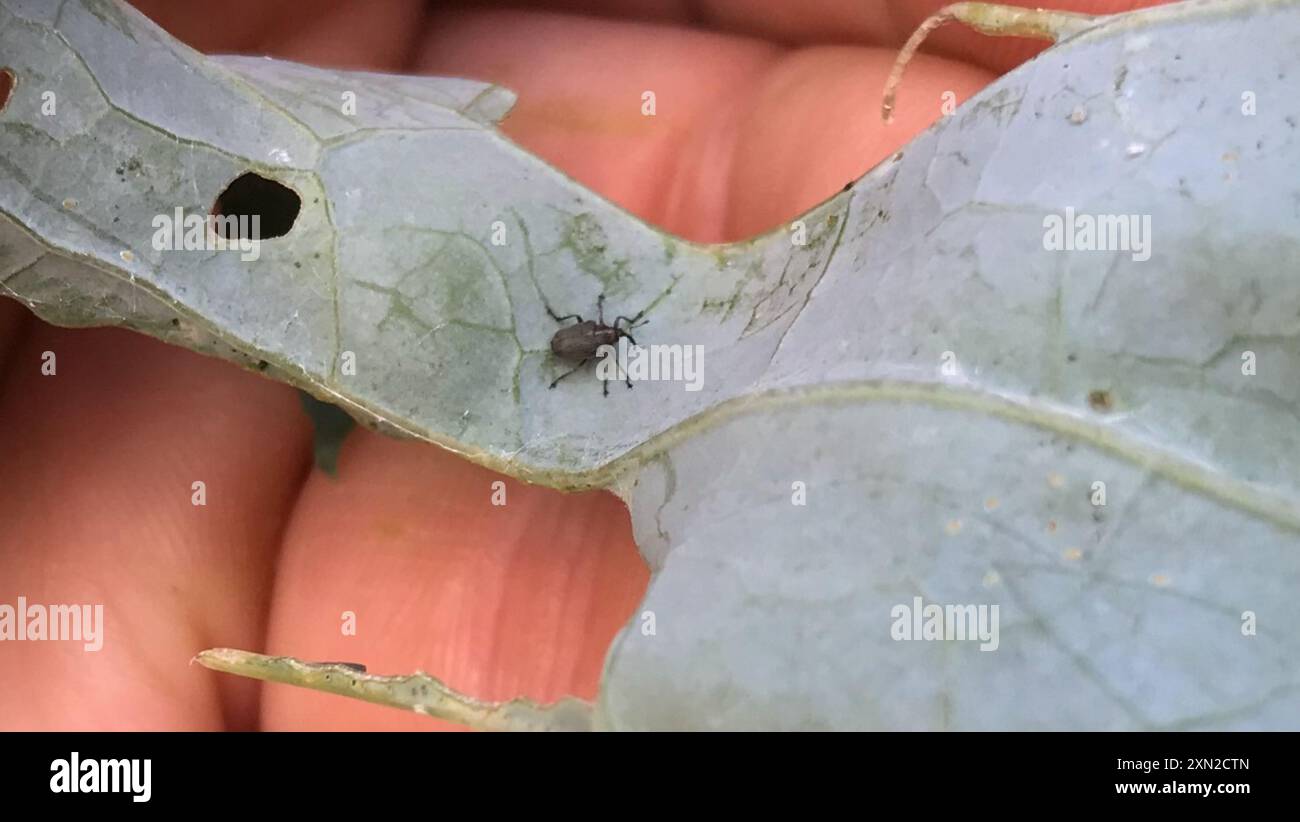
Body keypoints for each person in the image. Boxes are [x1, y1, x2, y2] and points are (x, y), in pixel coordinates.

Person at [0, 0, 1159, 730]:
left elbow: (581, 334)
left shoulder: (591, 333)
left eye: (608, 341)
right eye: (608, 340)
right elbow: (582, 331)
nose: (605, 342)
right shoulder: (594, 331)